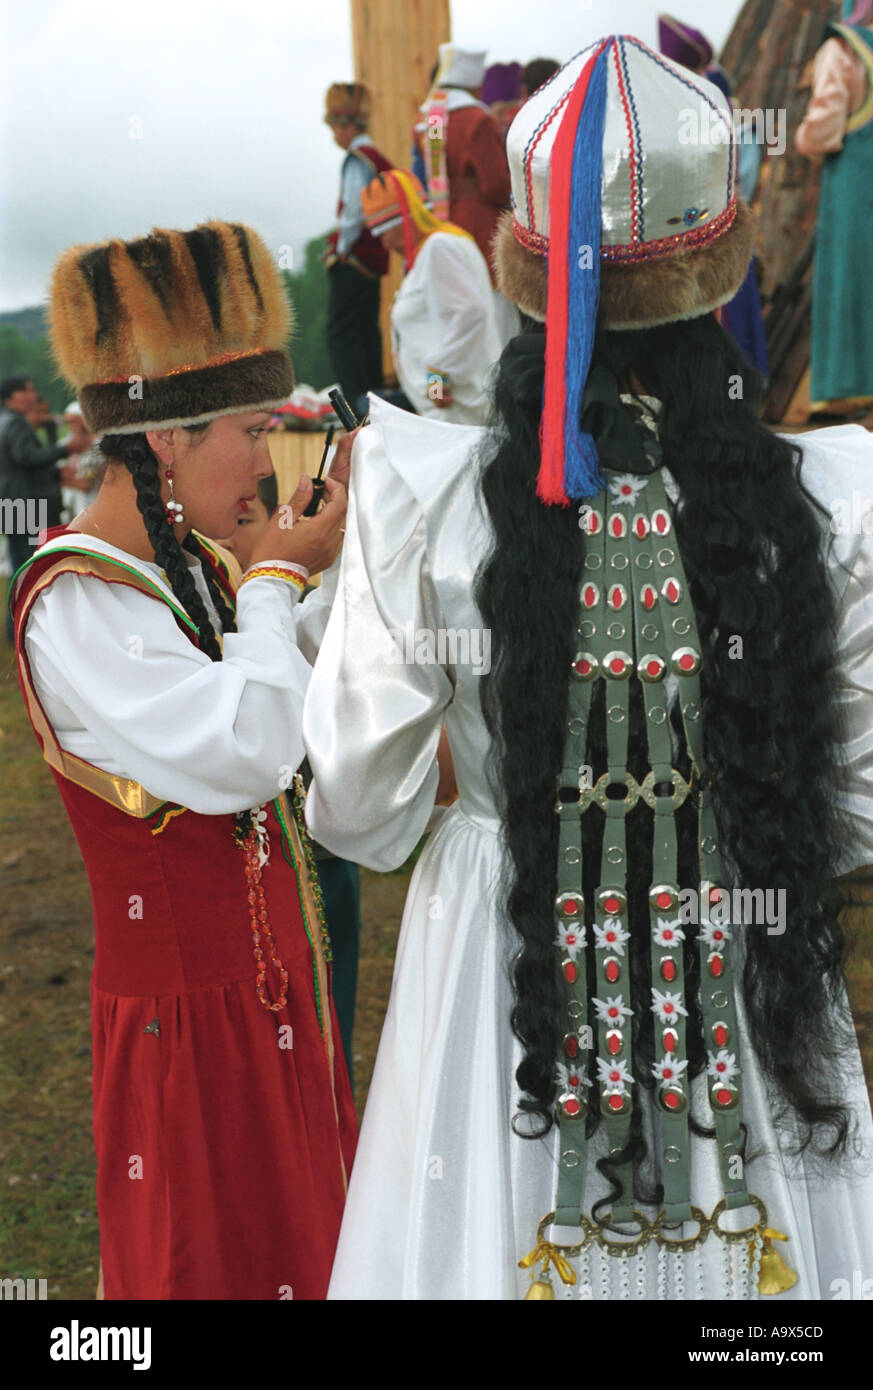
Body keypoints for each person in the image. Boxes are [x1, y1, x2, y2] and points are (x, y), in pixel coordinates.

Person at [304, 37, 873, 1300]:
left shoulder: (420, 500)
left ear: (527, 277)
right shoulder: (834, 503)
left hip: (501, 985)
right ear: (716, 273)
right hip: (738, 959)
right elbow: (857, 808)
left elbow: (358, 810)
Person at [10, 219, 356, 1300]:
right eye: (253, 430)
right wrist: (271, 585)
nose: (266, 457)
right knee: (202, 1266)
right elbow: (253, 746)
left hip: (275, 992)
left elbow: (312, 703)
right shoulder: (76, 598)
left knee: (309, 1249)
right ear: (163, 438)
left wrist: (306, 571)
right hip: (184, 1030)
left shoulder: (200, 560)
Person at [222, 471, 364, 1085]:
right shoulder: (226, 594)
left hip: (317, 857)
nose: (235, 548)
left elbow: (325, 649)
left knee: (331, 1023)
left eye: (249, 526)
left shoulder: (263, 596)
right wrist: (270, 582)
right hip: (252, 883)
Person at [658, 14, 769, 378]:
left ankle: (717, 397)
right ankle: (738, 394)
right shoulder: (725, 105)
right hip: (724, 220)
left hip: (697, 227)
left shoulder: (673, 107)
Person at [360, 170, 503, 426]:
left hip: (454, 407)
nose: (384, 244)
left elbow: (471, 312)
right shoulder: (438, 248)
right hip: (444, 408)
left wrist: (438, 374)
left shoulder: (439, 248)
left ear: (402, 221)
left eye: (383, 232)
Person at [796, 0, 873, 412]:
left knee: (853, 277)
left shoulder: (843, 50)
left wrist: (805, 139)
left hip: (857, 185)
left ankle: (852, 387)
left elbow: (823, 126)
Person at [415, 43, 518, 344]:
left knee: (455, 309)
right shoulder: (476, 119)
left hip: (442, 223)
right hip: (481, 226)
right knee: (495, 317)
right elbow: (495, 186)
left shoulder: (428, 118)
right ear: (474, 82)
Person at [323, 82, 393, 415]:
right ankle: (375, 403)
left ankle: (354, 408)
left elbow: (354, 212)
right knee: (367, 333)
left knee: (341, 334)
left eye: (336, 126)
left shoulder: (356, 161)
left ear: (349, 125)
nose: (334, 134)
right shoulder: (378, 158)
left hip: (355, 260)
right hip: (374, 263)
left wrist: (340, 251)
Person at [1, 375, 78, 642]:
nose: (34, 397)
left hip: (13, 505)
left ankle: (16, 629)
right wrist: (64, 448)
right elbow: (27, 459)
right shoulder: (17, 423)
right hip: (29, 505)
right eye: (28, 392)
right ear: (12, 397)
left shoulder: (5, 421)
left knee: (19, 566)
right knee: (33, 567)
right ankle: (28, 629)